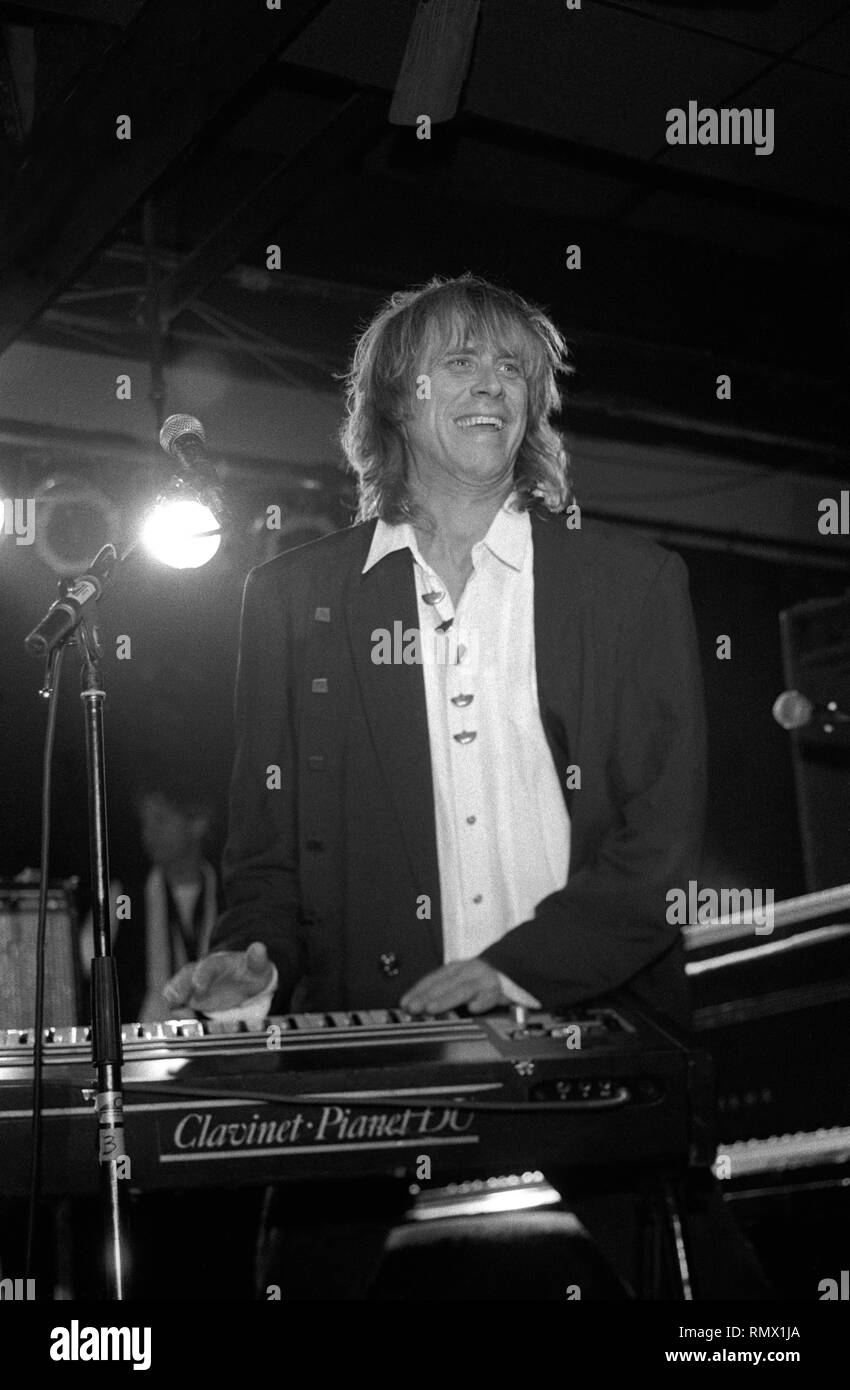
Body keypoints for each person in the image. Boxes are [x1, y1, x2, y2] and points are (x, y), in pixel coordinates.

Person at [165, 272, 706, 1029]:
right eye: (460, 364)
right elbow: (270, 853)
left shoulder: (632, 584)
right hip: (383, 1062)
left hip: (600, 1043)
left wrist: (518, 969)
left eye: (512, 369)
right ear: (396, 397)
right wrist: (256, 966)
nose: (492, 386)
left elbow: (661, 843)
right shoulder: (290, 599)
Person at [81, 775, 221, 1022]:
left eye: (161, 819)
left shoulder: (229, 891)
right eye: (144, 822)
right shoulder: (125, 894)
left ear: (198, 823)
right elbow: (83, 961)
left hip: (217, 1038)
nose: (149, 832)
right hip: (142, 1040)